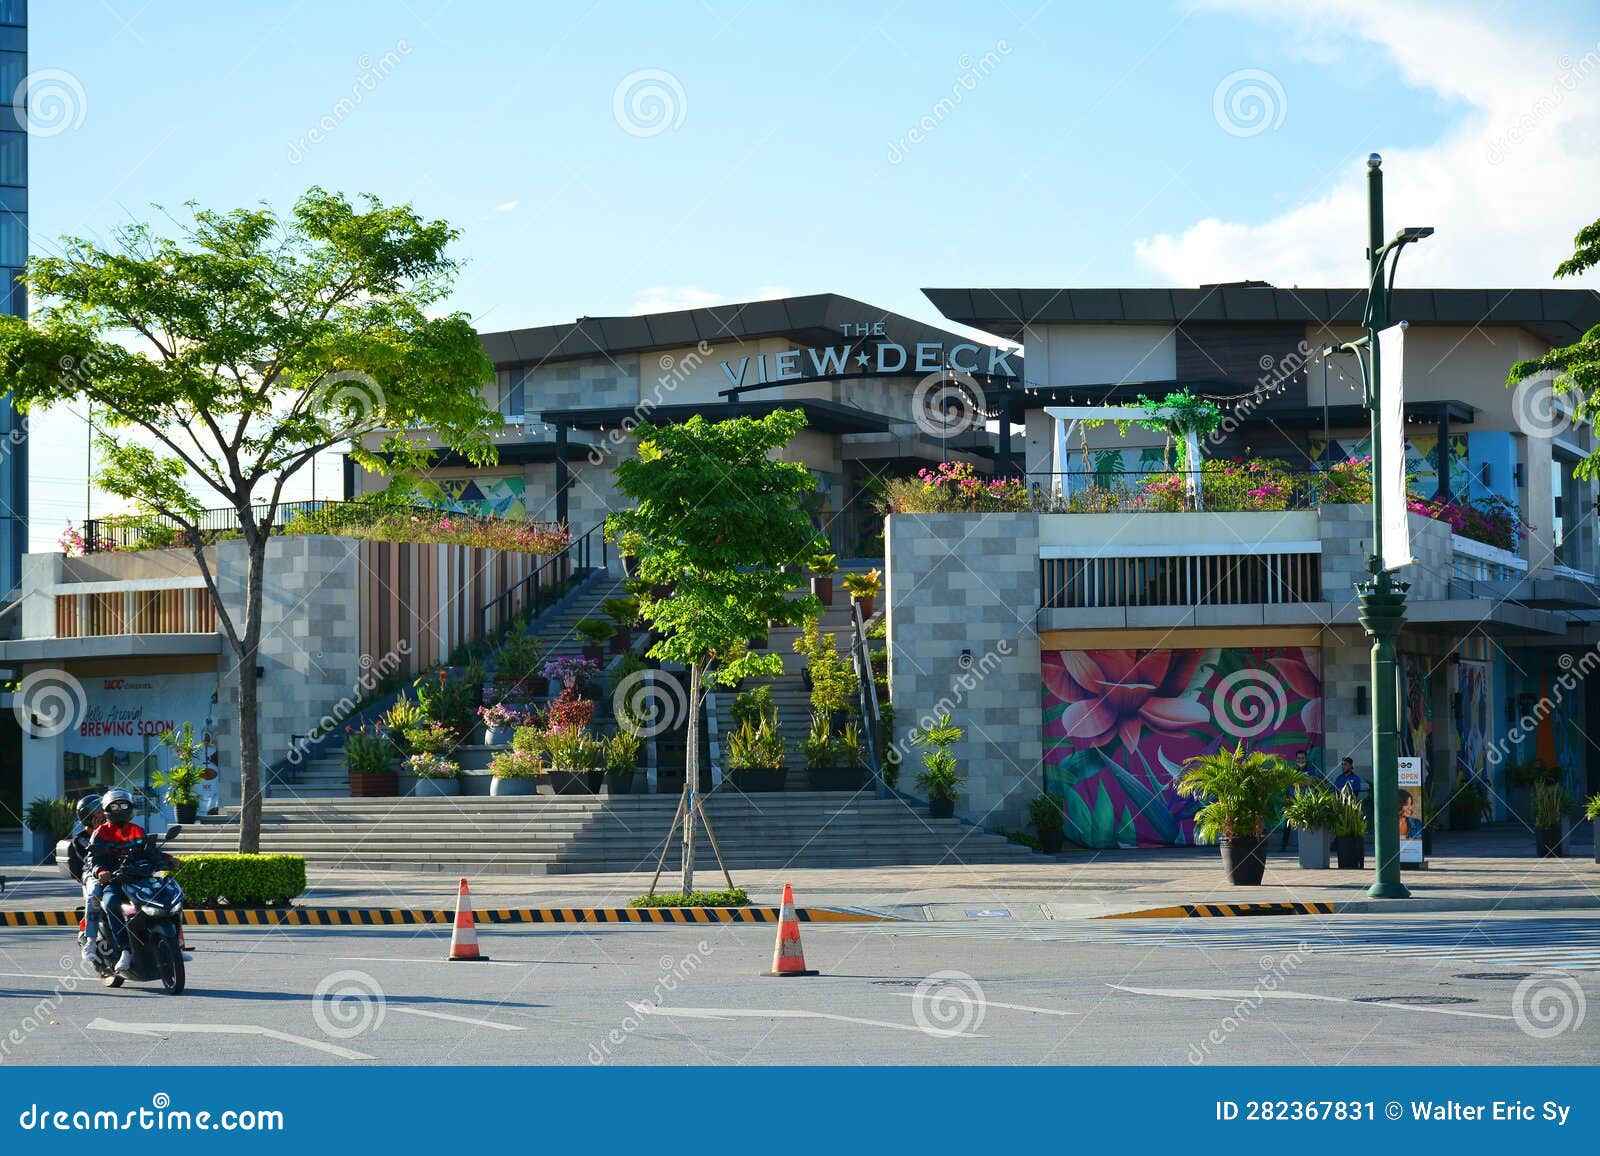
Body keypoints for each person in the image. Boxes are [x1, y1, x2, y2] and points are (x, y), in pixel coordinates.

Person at [88, 788, 146, 975]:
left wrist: (169, 860)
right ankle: (125, 950)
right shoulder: (101, 832)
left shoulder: (137, 830)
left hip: (139, 879)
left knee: (167, 895)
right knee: (111, 903)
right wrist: (102, 871)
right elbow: (93, 859)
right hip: (114, 882)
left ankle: (177, 943)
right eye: (115, 806)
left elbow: (150, 853)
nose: (120, 809)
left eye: (123, 805)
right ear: (107, 809)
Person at [67, 795, 104, 963]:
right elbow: (90, 861)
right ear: (88, 816)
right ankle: (89, 941)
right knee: (94, 897)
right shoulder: (80, 839)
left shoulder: (114, 831)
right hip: (93, 877)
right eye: (99, 811)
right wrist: (97, 834)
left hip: (116, 876)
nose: (103, 813)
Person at [1279, 749, 1322, 850]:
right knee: (1287, 823)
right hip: (1293, 801)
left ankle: (1310, 845)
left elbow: (1311, 782)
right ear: (1296, 759)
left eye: (1302, 758)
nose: (1300, 760)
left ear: (1306, 759)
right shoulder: (1293, 770)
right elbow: (1289, 783)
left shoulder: (1312, 770)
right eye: (1298, 758)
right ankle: (1283, 845)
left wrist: (1298, 782)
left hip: (1307, 802)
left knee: (1309, 823)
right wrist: (1300, 782)